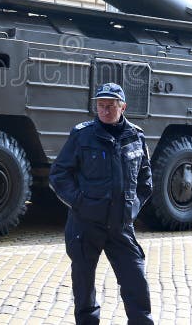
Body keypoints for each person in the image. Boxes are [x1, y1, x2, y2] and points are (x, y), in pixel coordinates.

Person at [49, 82, 154, 325]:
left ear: (123, 107)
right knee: (84, 287)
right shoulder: (82, 135)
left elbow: (145, 181)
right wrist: (80, 203)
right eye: (100, 105)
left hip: (121, 226)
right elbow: (59, 175)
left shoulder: (136, 137)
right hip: (86, 225)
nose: (105, 110)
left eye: (110, 106)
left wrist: (132, 208)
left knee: (135, 280)